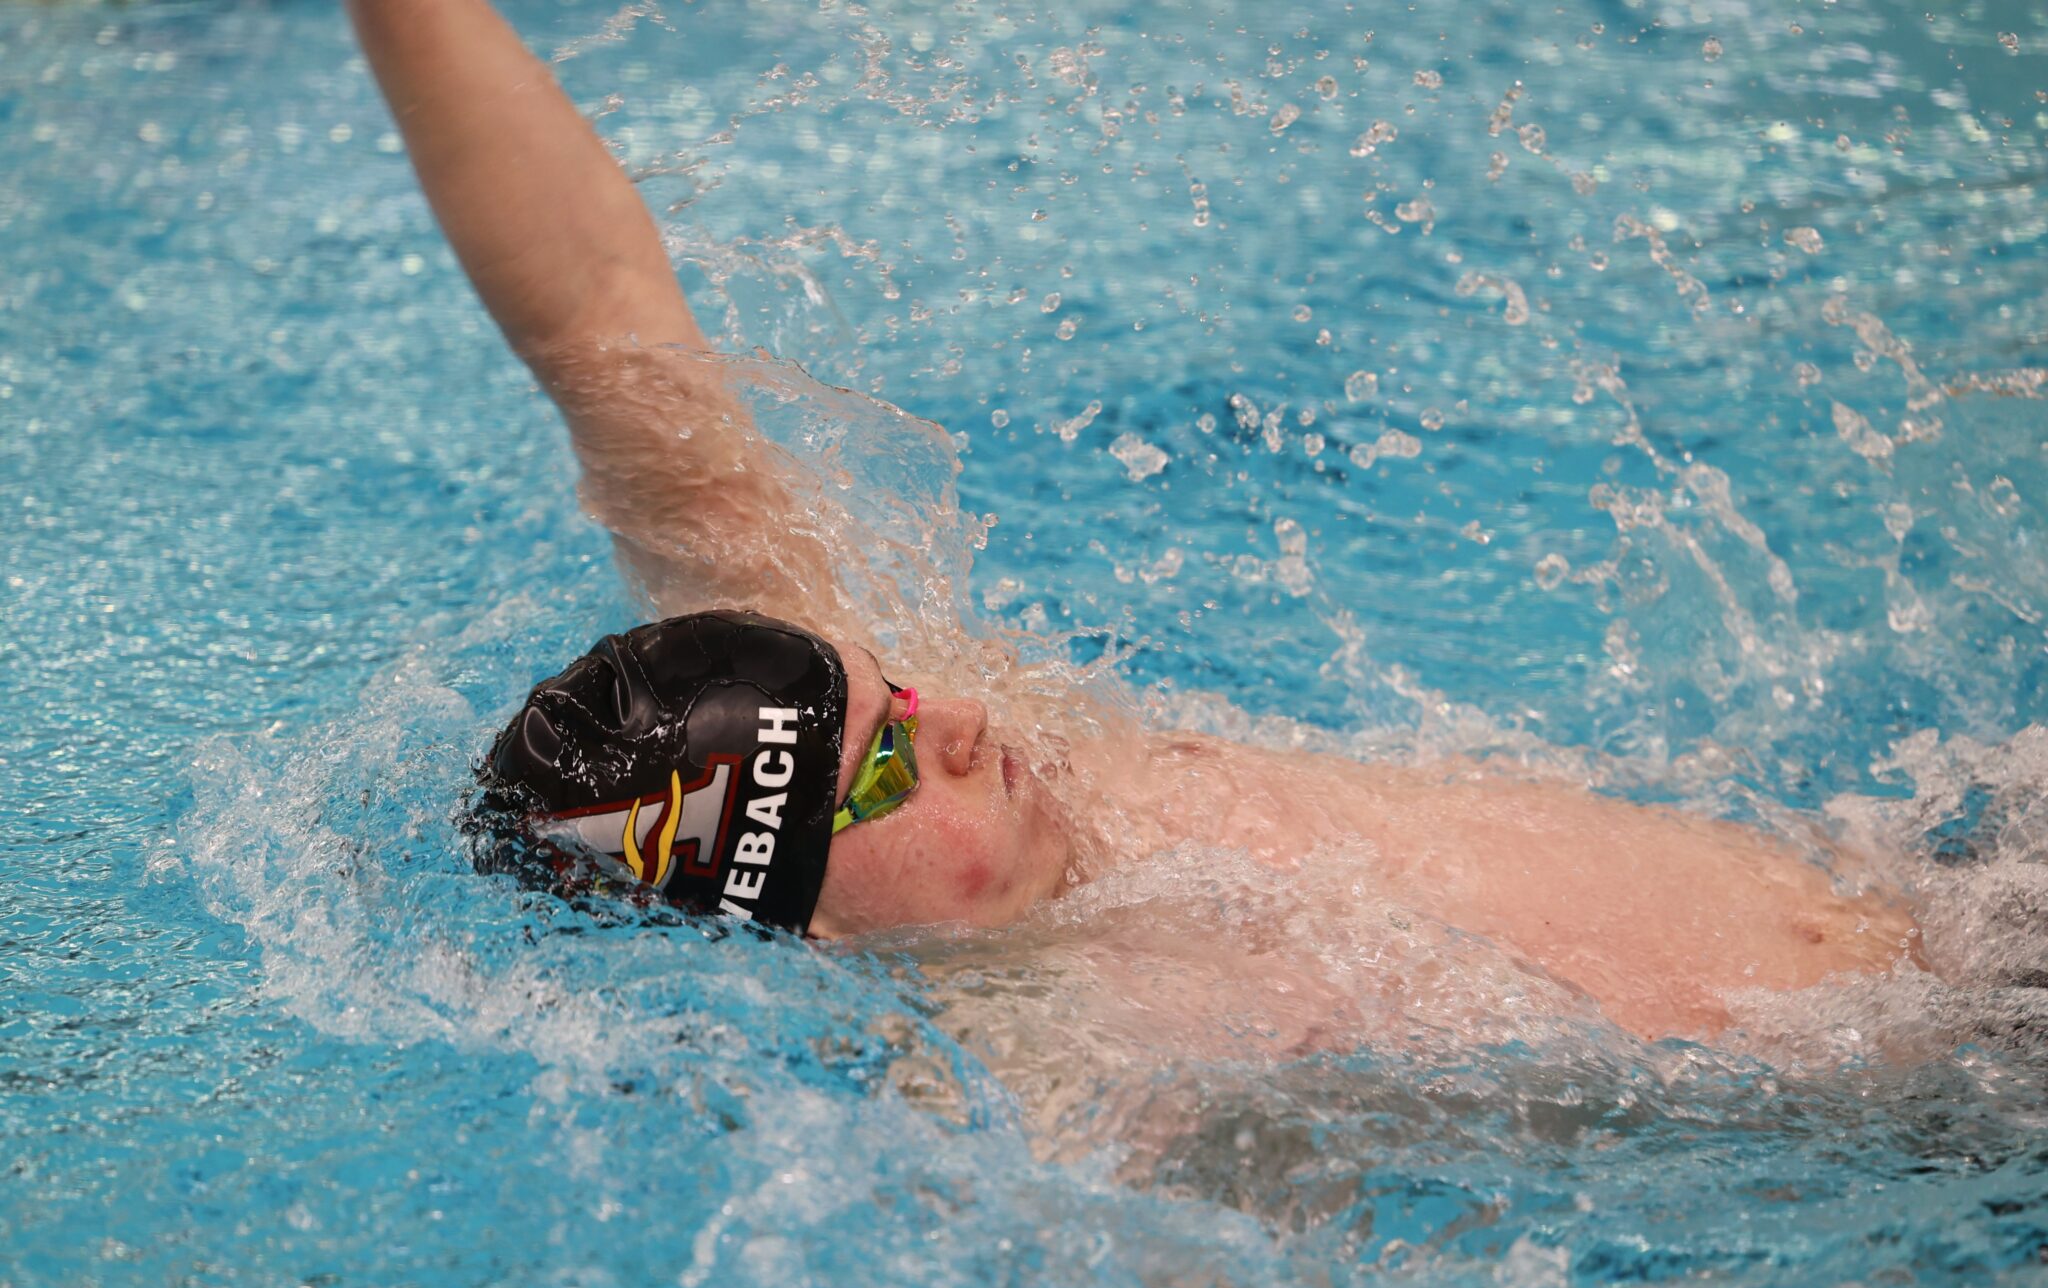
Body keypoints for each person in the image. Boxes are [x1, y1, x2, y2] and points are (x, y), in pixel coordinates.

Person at [348, 0, 1922, 1043]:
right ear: (803, 933)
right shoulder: (1081, 1073)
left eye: (899, 696)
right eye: (888, 762)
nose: (959, 715)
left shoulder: (998, 764)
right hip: (1918, 1109)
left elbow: (603, 327)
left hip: (1924, 885)